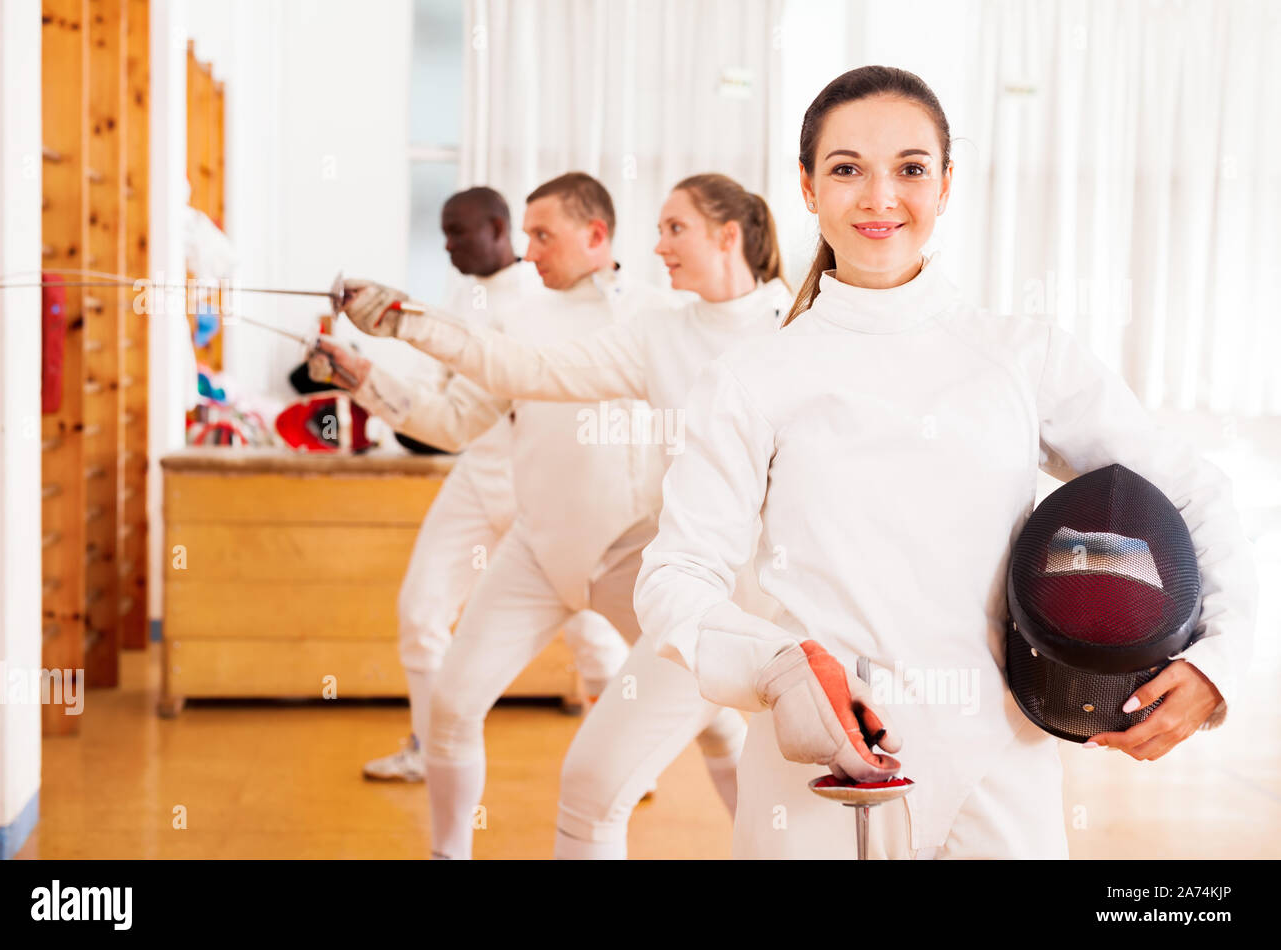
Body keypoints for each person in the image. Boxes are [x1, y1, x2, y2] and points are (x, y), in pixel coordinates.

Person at [633, 65, 1258, 859]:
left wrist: (1219, 665)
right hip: (822, 775)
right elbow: (675, 578)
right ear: (806, 185)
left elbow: (1194, 494)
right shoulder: (751, 379)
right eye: (847, 168)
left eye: (911, 169)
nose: (880, 197)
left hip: (1001, 770)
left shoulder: (1023, 356)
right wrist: (781, 668)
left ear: (947, 184)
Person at [360, 173, 791, 858]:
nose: (658, 246)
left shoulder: (789, 329)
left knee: (737, 759)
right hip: (624, 574)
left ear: (727, 235)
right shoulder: (659, 332)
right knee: (580, 783)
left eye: (674, 229)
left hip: (728, 597)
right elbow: (523, 370)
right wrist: (403, 329)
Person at [334, 187, 624, 783]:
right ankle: (425, 749)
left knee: (593, 637)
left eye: (458, 232)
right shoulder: (471, 301)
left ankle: (626, 768)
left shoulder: (565, 309)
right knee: (420, 612)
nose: (446, 245)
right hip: (476, 478)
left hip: (543, 491)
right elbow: (448, 417)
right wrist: (364, 380)